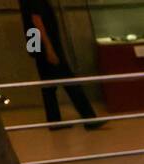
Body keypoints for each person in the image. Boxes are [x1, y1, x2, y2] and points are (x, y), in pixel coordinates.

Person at [18, 0, 103, 128]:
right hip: (45, 43)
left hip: (35, 41)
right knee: (68, 80)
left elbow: (31, 24)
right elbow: (36, 20)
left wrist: (36, 48)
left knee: (48, 84)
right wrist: (49, 48)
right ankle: (89, 118)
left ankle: (54, 120)